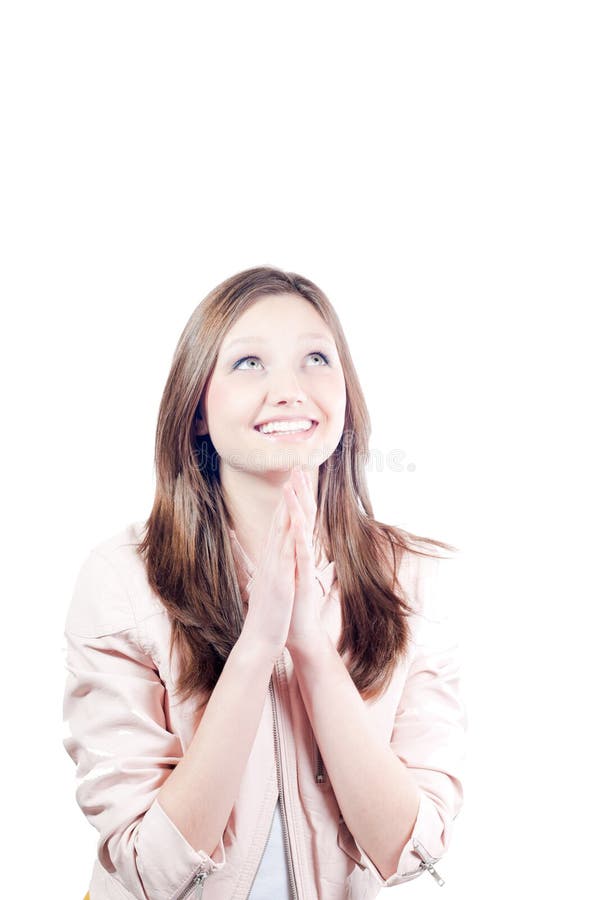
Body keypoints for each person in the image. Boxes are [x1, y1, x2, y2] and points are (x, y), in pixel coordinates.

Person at [62, 265, 468, 900]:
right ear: (196, 410)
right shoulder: (122, 580)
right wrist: (258, 643)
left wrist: (309, 645)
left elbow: (409, 846)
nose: (289, 389)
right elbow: (147, 867)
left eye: (315, 358)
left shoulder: (411, 577)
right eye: (249, 363)